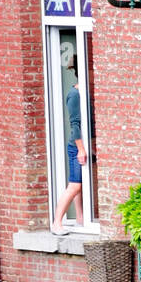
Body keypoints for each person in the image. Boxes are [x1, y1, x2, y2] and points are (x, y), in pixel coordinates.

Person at [50, 57, 87, 235]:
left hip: (84, 145)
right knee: (75, 185)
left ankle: (81, 219)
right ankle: (57, 222)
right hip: (76, 147)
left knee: (81, 183)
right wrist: (81, 149)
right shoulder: (75, 95)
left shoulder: (84, 92)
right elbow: (75, 124)